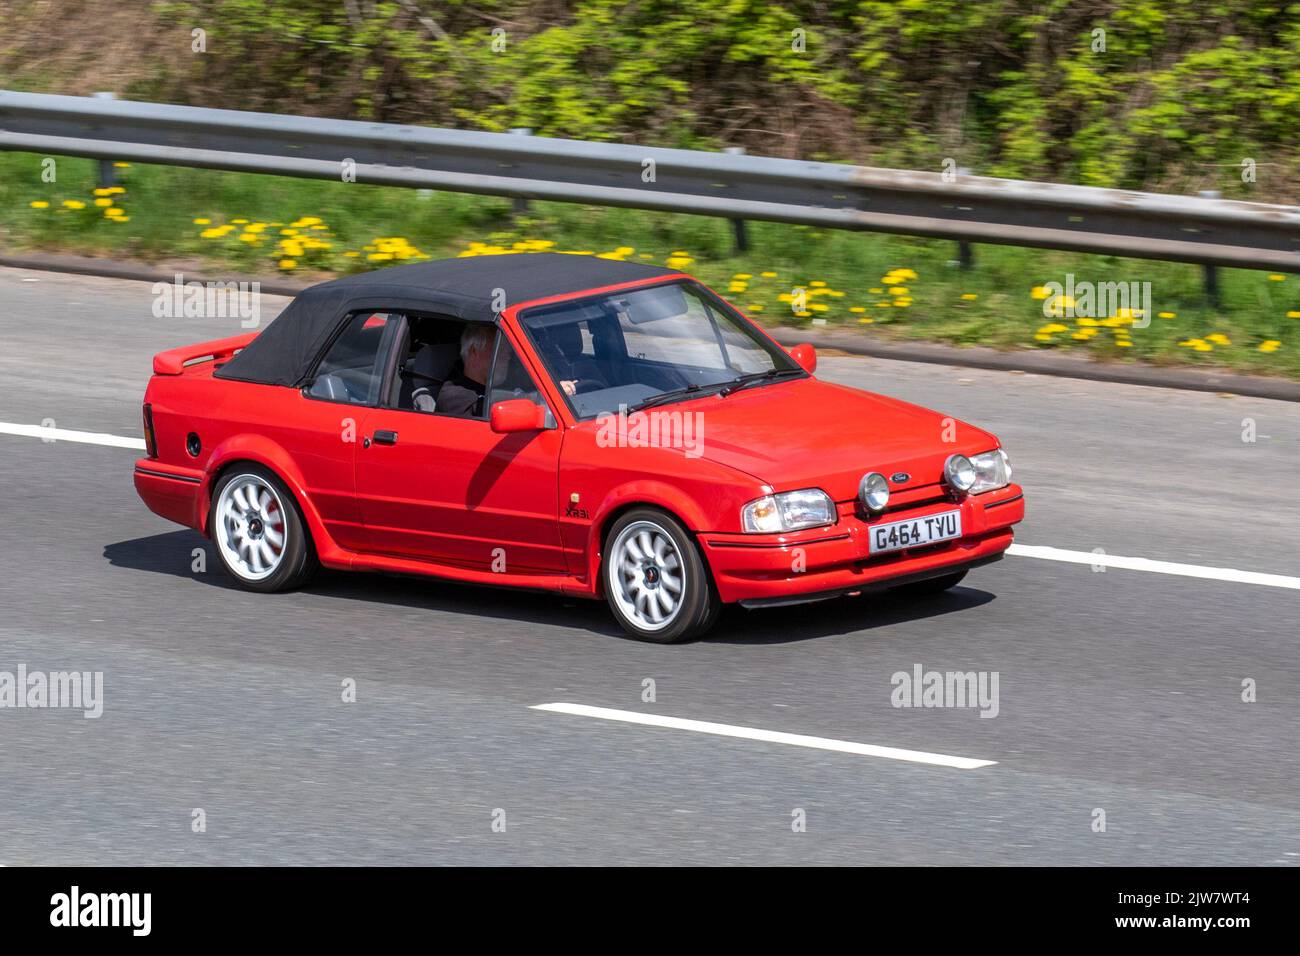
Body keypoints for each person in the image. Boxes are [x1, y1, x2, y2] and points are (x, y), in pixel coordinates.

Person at [437, 324, 496, 418]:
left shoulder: (501, 387)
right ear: (474, 351)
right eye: (498, 348)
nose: (508, 355)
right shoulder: (455, 398)